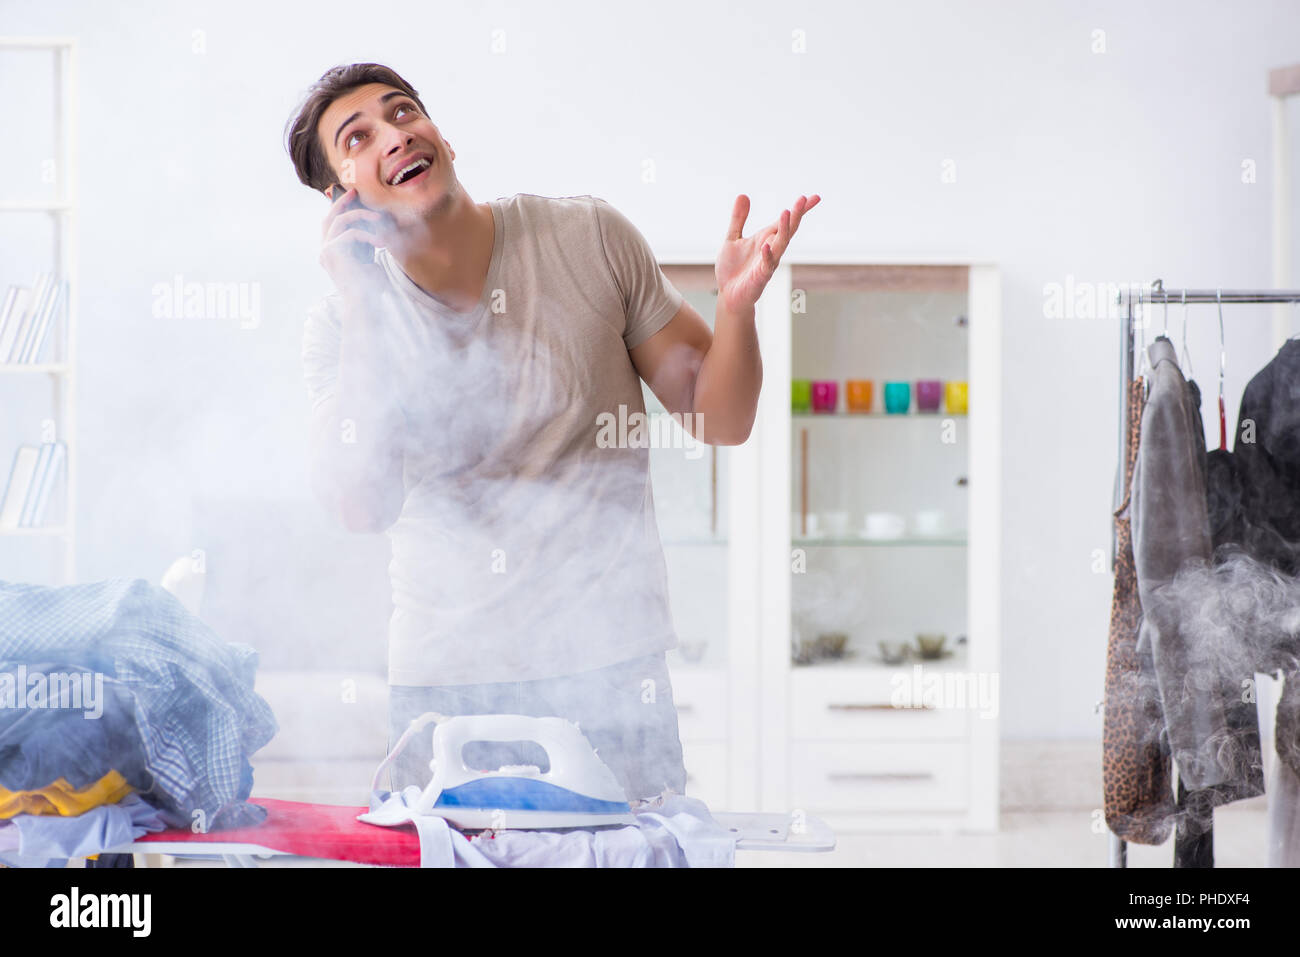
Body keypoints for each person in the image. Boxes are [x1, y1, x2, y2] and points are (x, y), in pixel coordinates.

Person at [284, 62, 818, 803]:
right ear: (340, 199)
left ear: (441, 135)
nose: (396, 135)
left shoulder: (587, 236)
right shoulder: (342, 326)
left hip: (613, 670)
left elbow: (717, 414)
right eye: (359, 136)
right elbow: (359, 505)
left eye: (404, 113)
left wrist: (736, 310)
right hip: (445, 688)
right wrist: (366, 299)